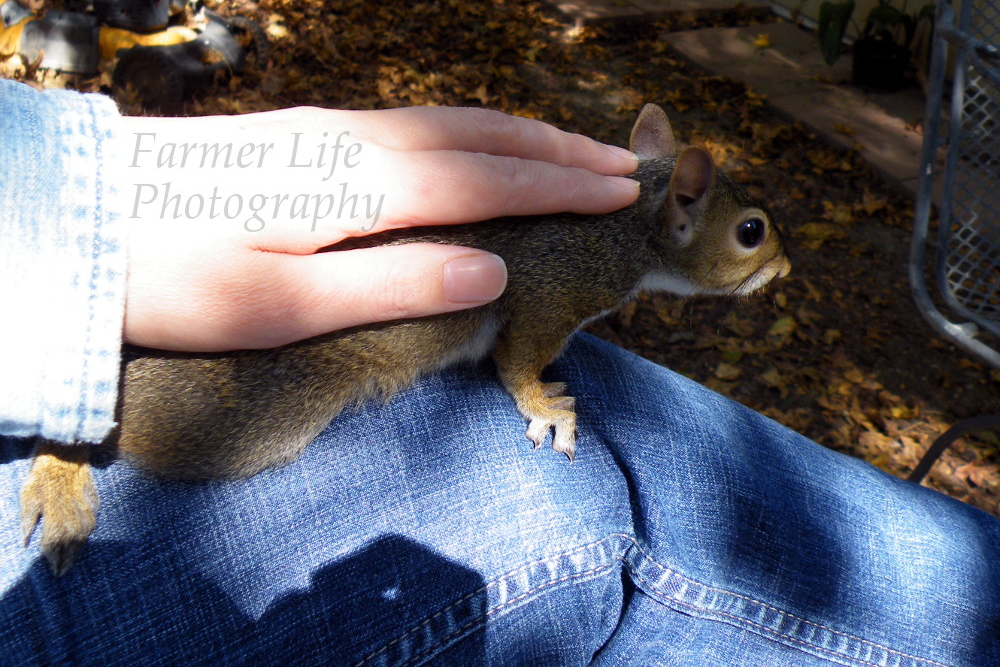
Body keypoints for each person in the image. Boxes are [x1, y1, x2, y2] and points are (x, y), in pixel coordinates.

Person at [0, 78, 997, 667]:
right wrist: (528, 388)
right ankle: (74, 441)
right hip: (190, 364)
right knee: (589, 499)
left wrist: (49, 186)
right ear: (679, 210)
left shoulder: (609, 241)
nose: (770, 272)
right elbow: (531, 317)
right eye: (750, 241)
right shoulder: (600, 262)